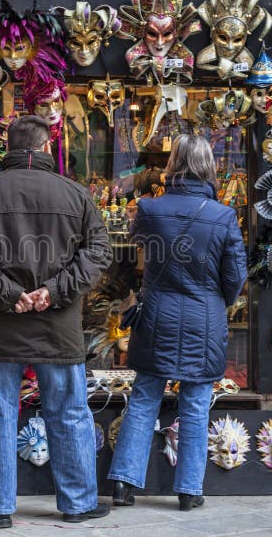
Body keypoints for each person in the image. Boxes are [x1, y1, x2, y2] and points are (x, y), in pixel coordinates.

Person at [0, 115, 113, 529]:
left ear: (9, 147)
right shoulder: (76, 195)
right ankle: (77, 503)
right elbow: (98, 253)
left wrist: (8, 293)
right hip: (58, 327)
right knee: (69, 413)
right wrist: (53, 292)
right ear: (46, 147)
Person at [107, 133, 247, 511]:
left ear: (173, 165)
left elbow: (134, 251)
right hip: (205, 317)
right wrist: (217, 303)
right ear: (208, 166)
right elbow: (235, 275)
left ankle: (123, 483)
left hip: (157, 315)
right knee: (197, 404)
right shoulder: (223, 216)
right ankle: (188, 490)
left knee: (144, 399)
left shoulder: (150, 209)